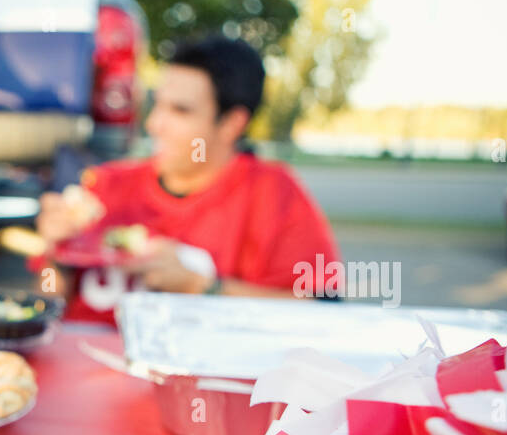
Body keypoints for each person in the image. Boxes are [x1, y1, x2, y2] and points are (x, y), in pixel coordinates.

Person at [34, 35, 341, 321]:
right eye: (157, 105)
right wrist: (55, 258)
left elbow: (322, 314)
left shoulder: (273, 194)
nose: (154, 125)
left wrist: (202, 287)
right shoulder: (104, 186)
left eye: (180, 111)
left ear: (232, 123)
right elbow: (46, 301)